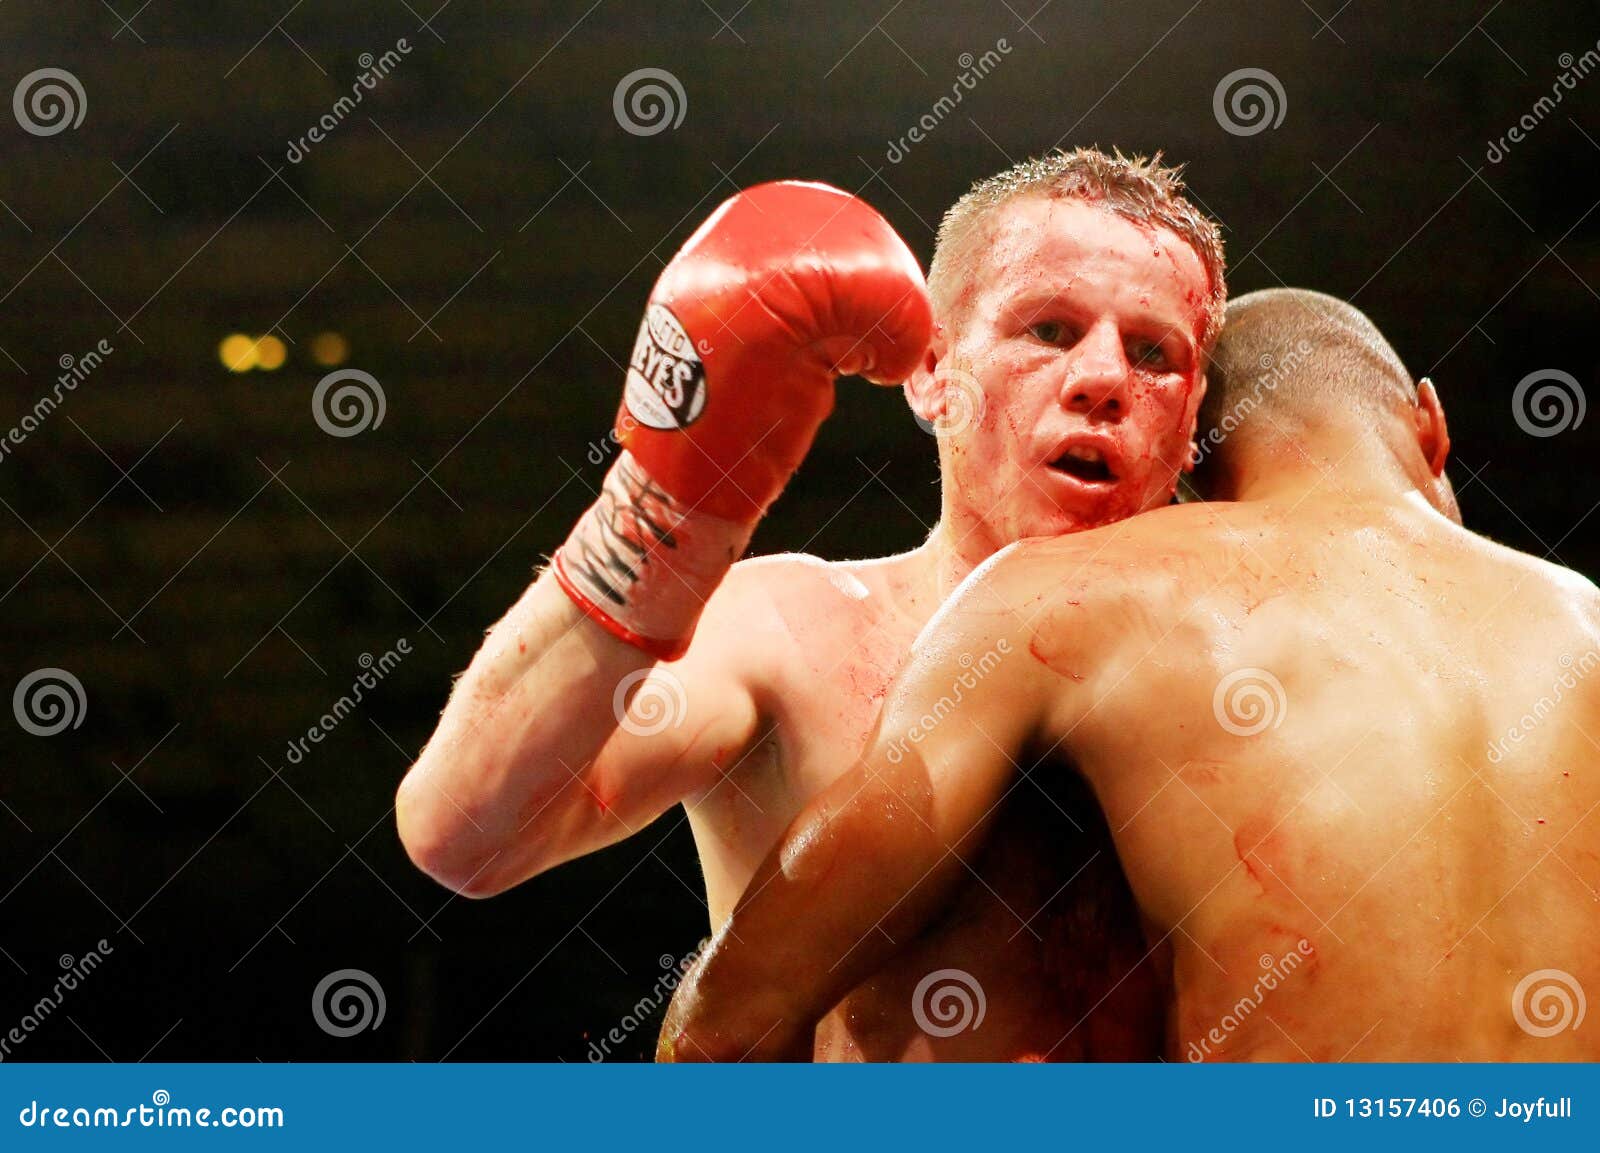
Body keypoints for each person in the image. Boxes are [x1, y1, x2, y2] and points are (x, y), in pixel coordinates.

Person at [395, 148, 1227, 1060]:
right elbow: (464, 833)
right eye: (1049, 329)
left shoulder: (1250, 682)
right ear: (932, 372)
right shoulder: (793, 627)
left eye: (1155, 354)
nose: (1103, 378)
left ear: (1192, 427)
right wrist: (659, 512)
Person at [661, 288, 1600, 1062]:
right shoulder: (1587, 618)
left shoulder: (1080, 591)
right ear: (1431, 425)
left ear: (1191, 470)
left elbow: (735, 1011)